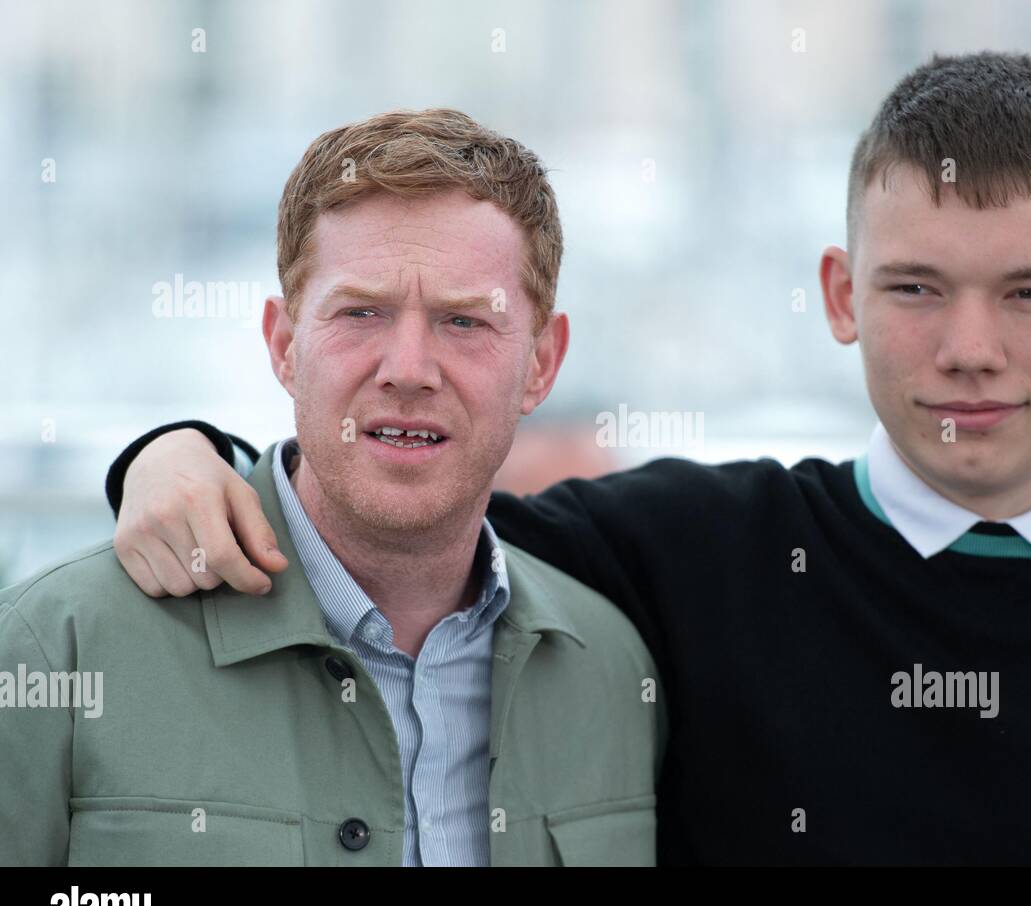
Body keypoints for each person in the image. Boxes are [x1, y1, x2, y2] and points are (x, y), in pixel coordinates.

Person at [100, 53, 1031, 864]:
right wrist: (174, 453)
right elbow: (391, 497)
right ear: (840, 294)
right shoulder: (694, 558)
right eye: (915, 288)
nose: (969, 349)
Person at [0, 108, 664, 867]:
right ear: (284, 345)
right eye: (361, 313)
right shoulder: (54, 651)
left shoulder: (615, 672)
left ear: (542, 364)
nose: (409, 368)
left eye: (464, 322)